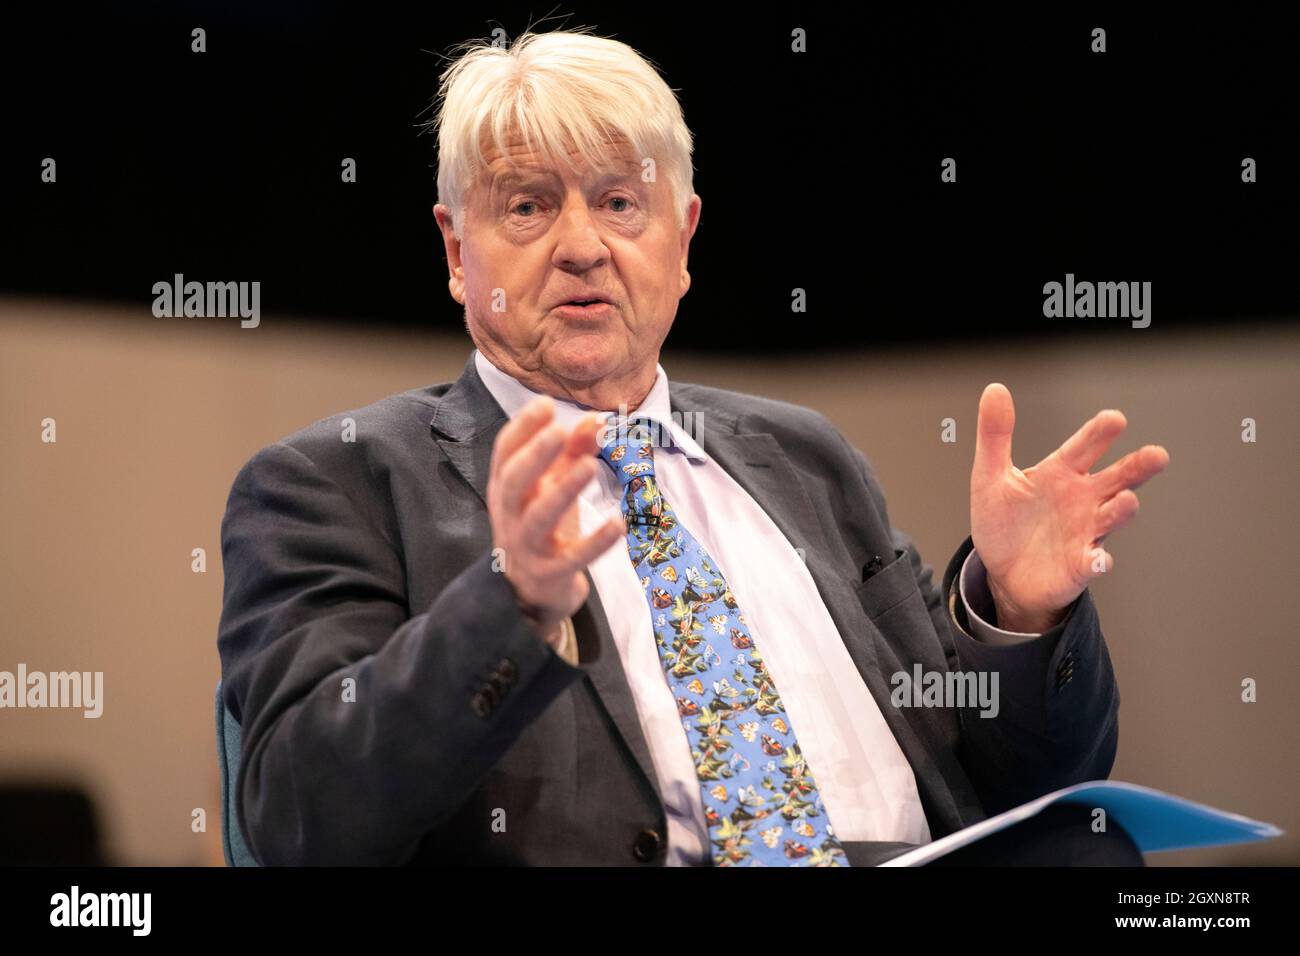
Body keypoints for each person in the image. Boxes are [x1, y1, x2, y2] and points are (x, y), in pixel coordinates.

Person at [217, 28, 1169, 866]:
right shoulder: (336, 482)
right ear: (458, 251)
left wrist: (1014, 615)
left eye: (621, 203)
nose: (582, 246)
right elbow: (300, 825)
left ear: (683, 238)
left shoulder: (808, 459)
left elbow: (1041, 782)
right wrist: (511, 606)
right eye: (527, 207)